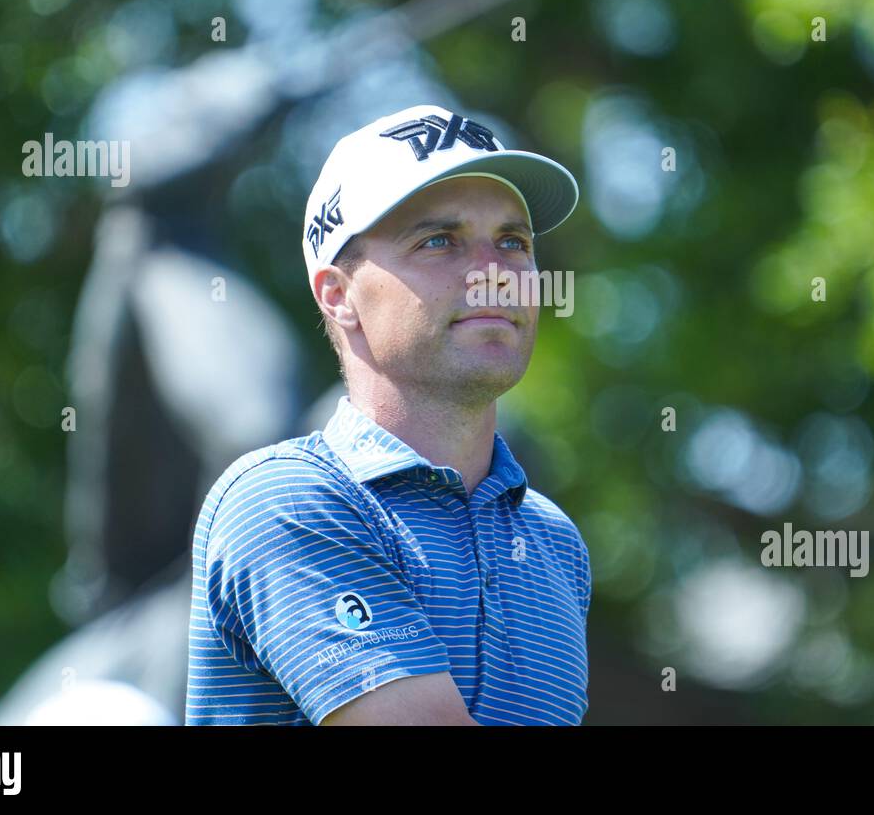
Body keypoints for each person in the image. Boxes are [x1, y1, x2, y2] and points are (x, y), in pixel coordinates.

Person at [185, 104, 592, 725]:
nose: (495, 275)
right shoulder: (285, 500)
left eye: (513, 241)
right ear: (338, 295)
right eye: (439, 241)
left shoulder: (554, 541)